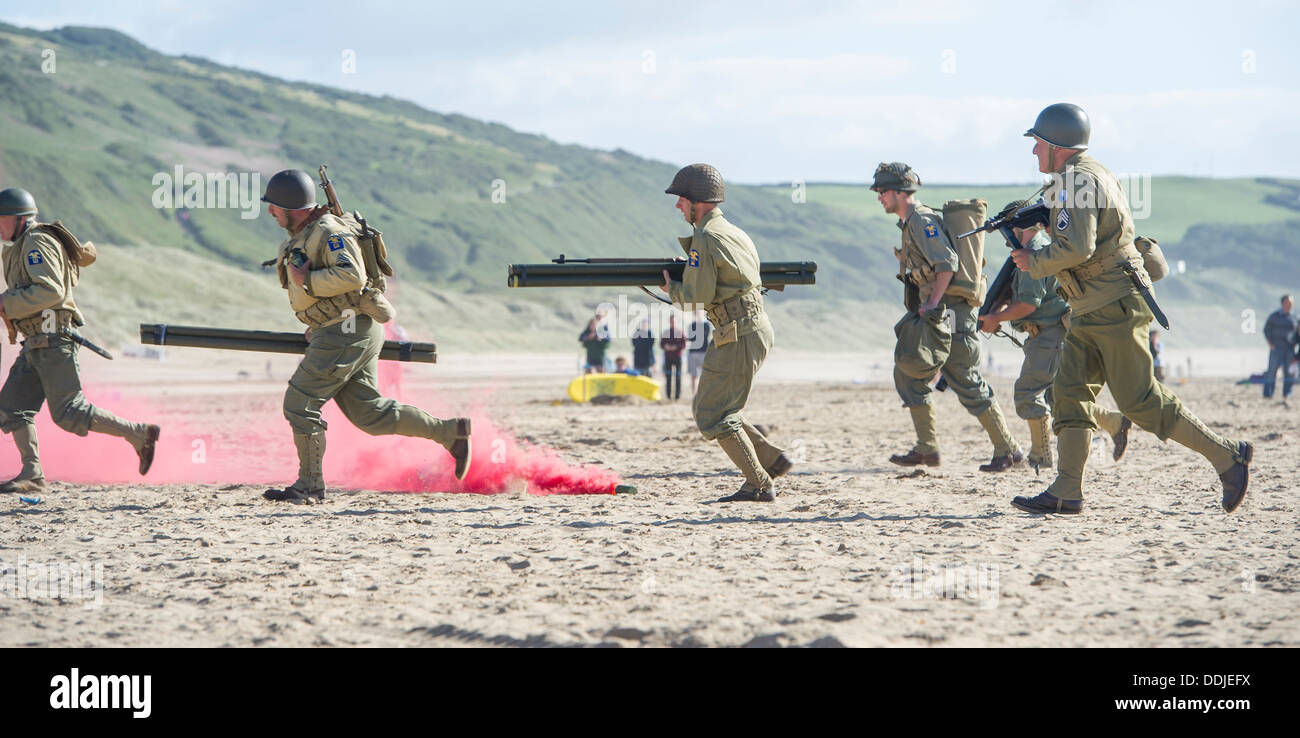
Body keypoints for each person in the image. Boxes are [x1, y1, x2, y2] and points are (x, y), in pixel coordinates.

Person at [1010, 103, 1252, 515]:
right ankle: (1067, 490)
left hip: (1113, 305)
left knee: (1139, 400)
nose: (1034, 152)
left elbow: (1077, 247)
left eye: (1037, 143)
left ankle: (1229, 458)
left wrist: (1032, 261)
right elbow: (1089, 236)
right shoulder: (1088, 175)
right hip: (1091, 307)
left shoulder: (1075, 181)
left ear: (1056, 145)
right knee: (1068, 394)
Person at [259, 169, 471, 503]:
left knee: (300, 403)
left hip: (345, 332)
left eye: (274, 206)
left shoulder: (327, 231)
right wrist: (319, 315)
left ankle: (309, 487)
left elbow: (351, 276)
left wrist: (307, 281)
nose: (270, 212)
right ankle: (450, 432)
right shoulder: (307, 232)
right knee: (371, 414)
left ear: (291, 206)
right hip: (344, 328)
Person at [0, 187, 160, 495]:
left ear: (18, 217)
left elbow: (50, 292)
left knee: (70, 412)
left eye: (1, 219)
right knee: (10, 408)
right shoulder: (21, 245)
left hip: (52, 340)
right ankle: (32, 474)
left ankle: (140, 435)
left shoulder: (36, 241)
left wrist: (7, 302)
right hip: (36, 343)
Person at [874, 162, 1023, 472]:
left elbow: (948, 263)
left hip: (950, 313)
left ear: (901, 193)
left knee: (965, 380)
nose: (879, 197)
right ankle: (927, 449)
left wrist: (933, 303)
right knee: (909, 371)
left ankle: (1008, 449)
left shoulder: (922, 221)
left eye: (882, 191)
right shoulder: (910, 223)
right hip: (939, 312)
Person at [659, 164, 792, 502]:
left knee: (712, 414)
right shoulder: (731, 231)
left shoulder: (705, 237)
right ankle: (772, 460)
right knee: (723, 409)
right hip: (752, 327)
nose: (677, 206)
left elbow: (696, 299)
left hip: (737, 332)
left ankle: (760, 484)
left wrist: (672, 288)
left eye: (681, 200)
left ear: (697, 202)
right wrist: (690, 268)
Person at [978, 202, 1133, 472]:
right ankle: (1113, 422)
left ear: (1017, 228)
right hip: (1055, 334)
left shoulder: (1033, 253)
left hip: (1047, 336)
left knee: (1027, 394)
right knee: (1058, 398)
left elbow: (1028, 304)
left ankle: (1040, 457)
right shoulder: (1040, 250)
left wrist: (995, 319)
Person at [1262, 294, 1297, 401]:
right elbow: (1266, 330)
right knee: (1272, 371)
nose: (1290, 305)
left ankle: (1287, 394)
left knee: (1289, 373)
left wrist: (1295, 344)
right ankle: (1268, 394)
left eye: (1291, 303)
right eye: (1288, 303)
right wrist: (1270, 344)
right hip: (1276, 348)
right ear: (1283, 303)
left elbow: (1297, 332)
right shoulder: (1274, 316)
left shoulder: (1295, 317)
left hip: (1289, 349)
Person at [659, 316, 686, 400]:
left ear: (676, 322)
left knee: (678, 377)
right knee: (668, 377)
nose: (673, 323)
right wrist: (665, 347)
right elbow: (661, 344)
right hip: (668, 357)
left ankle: (677, 396)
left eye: (674, 322)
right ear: (669, 322)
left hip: (677, 357)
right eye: (671, 322)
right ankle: (668, 396)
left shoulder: (680, 332)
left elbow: (684, 344)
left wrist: (676, 347)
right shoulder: (666, 332)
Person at [687, 309, 711, 394]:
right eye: (697, 312)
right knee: (693, 375)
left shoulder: (706, 325)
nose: (698, 314)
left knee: (704, 374)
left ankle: (702, 393)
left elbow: (703, 336)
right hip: (693, 352)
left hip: (703, 352)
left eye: (700, 312)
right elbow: (692, 338)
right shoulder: (692, 325)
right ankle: (694, 394)